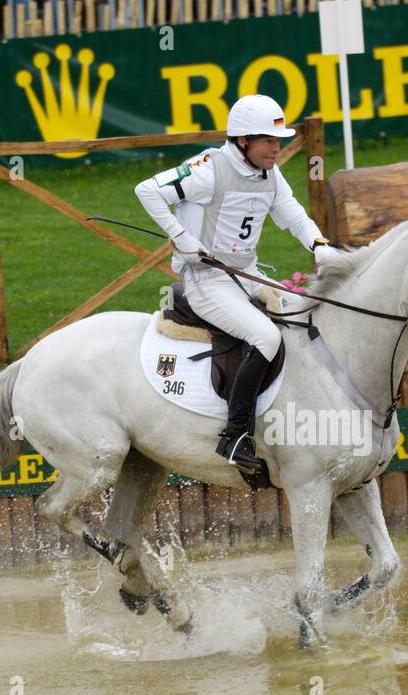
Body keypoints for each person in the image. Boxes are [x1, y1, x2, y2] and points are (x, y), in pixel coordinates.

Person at [134, 93, 336, 474]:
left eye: (279, 141)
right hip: (205, 280)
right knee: (267, 337)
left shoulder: (268, 173)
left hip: (246, 275)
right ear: (243, 140)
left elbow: (292, 213)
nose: (277, 149)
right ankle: (234, 436)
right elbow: (146, 190)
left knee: (302, 318)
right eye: (269, 142)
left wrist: (319, 245)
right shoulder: (208, 168)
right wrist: (180, 235)